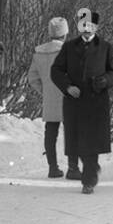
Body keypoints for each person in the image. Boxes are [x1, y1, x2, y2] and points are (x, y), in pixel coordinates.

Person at [50, 9, 113, 194]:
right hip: (75, 102)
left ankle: (88, 179)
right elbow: (56, 71)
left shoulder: (105, 47)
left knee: (92, 142)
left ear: (96, 27)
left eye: (90, 26)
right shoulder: (69, 47)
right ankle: (92, 167)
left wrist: (105, 80)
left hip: (96, 102)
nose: (87, 29)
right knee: (77, 143)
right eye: (83, 26)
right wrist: (67, 87)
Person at [27, 16, 71, 178]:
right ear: (65, 33)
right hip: (69, 97)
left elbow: (32, 78)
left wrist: (45, 91)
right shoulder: (70, 51)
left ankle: (53, 167)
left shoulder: (39, 53)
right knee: (71, 133)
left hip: (50, 99)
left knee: (50, 132)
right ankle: (72, 167)